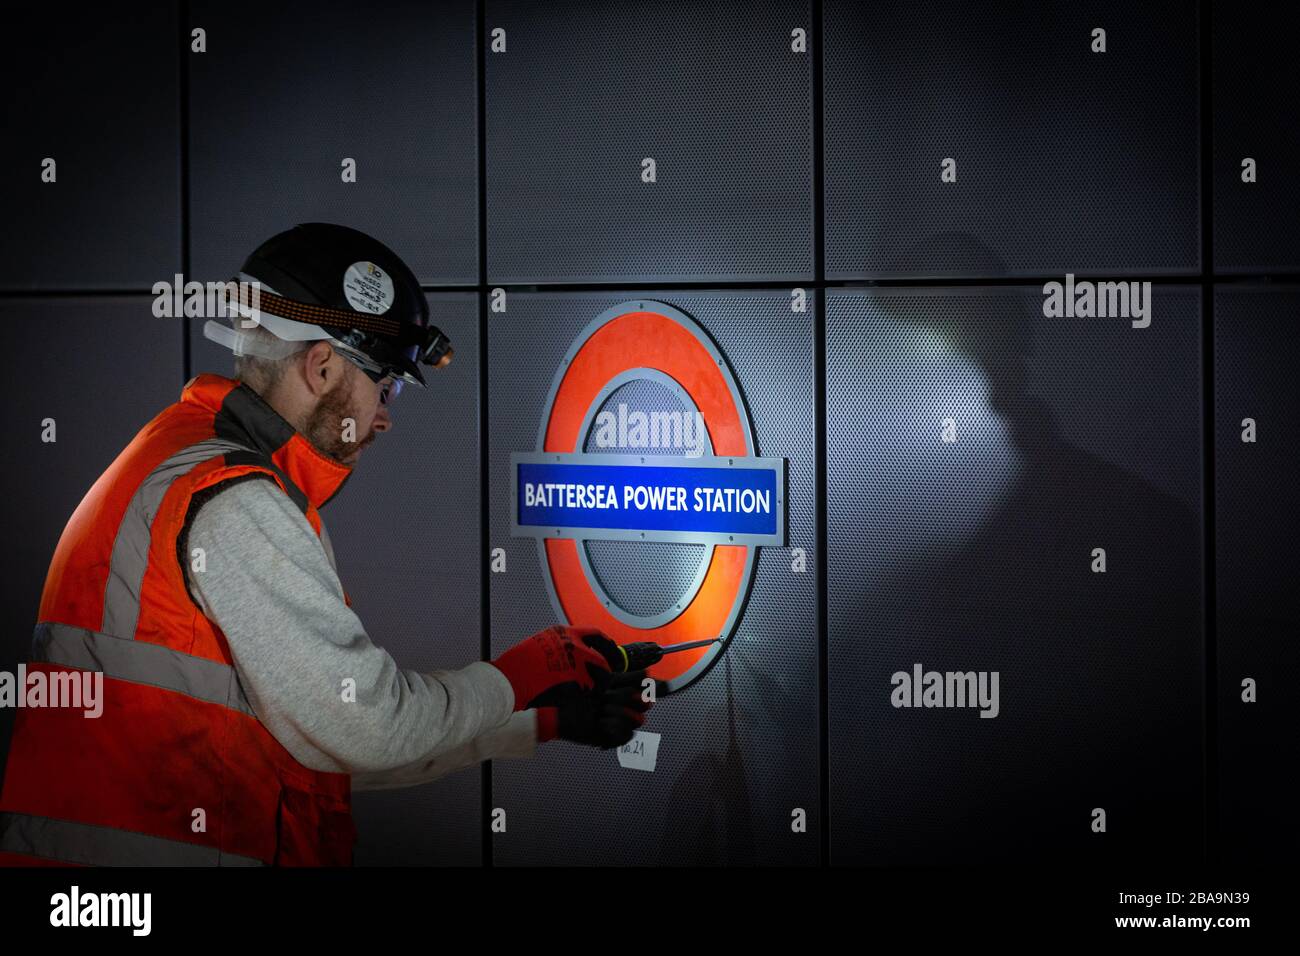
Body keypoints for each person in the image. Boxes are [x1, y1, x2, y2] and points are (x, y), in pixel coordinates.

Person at [0, 223, 652, 866]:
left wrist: (541, 721)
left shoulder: (185, 464)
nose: (386, 415)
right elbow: (365, 724)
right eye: (386, 386)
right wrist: (516, 678)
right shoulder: (234, 499)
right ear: (321, 366)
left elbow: (319, 742)